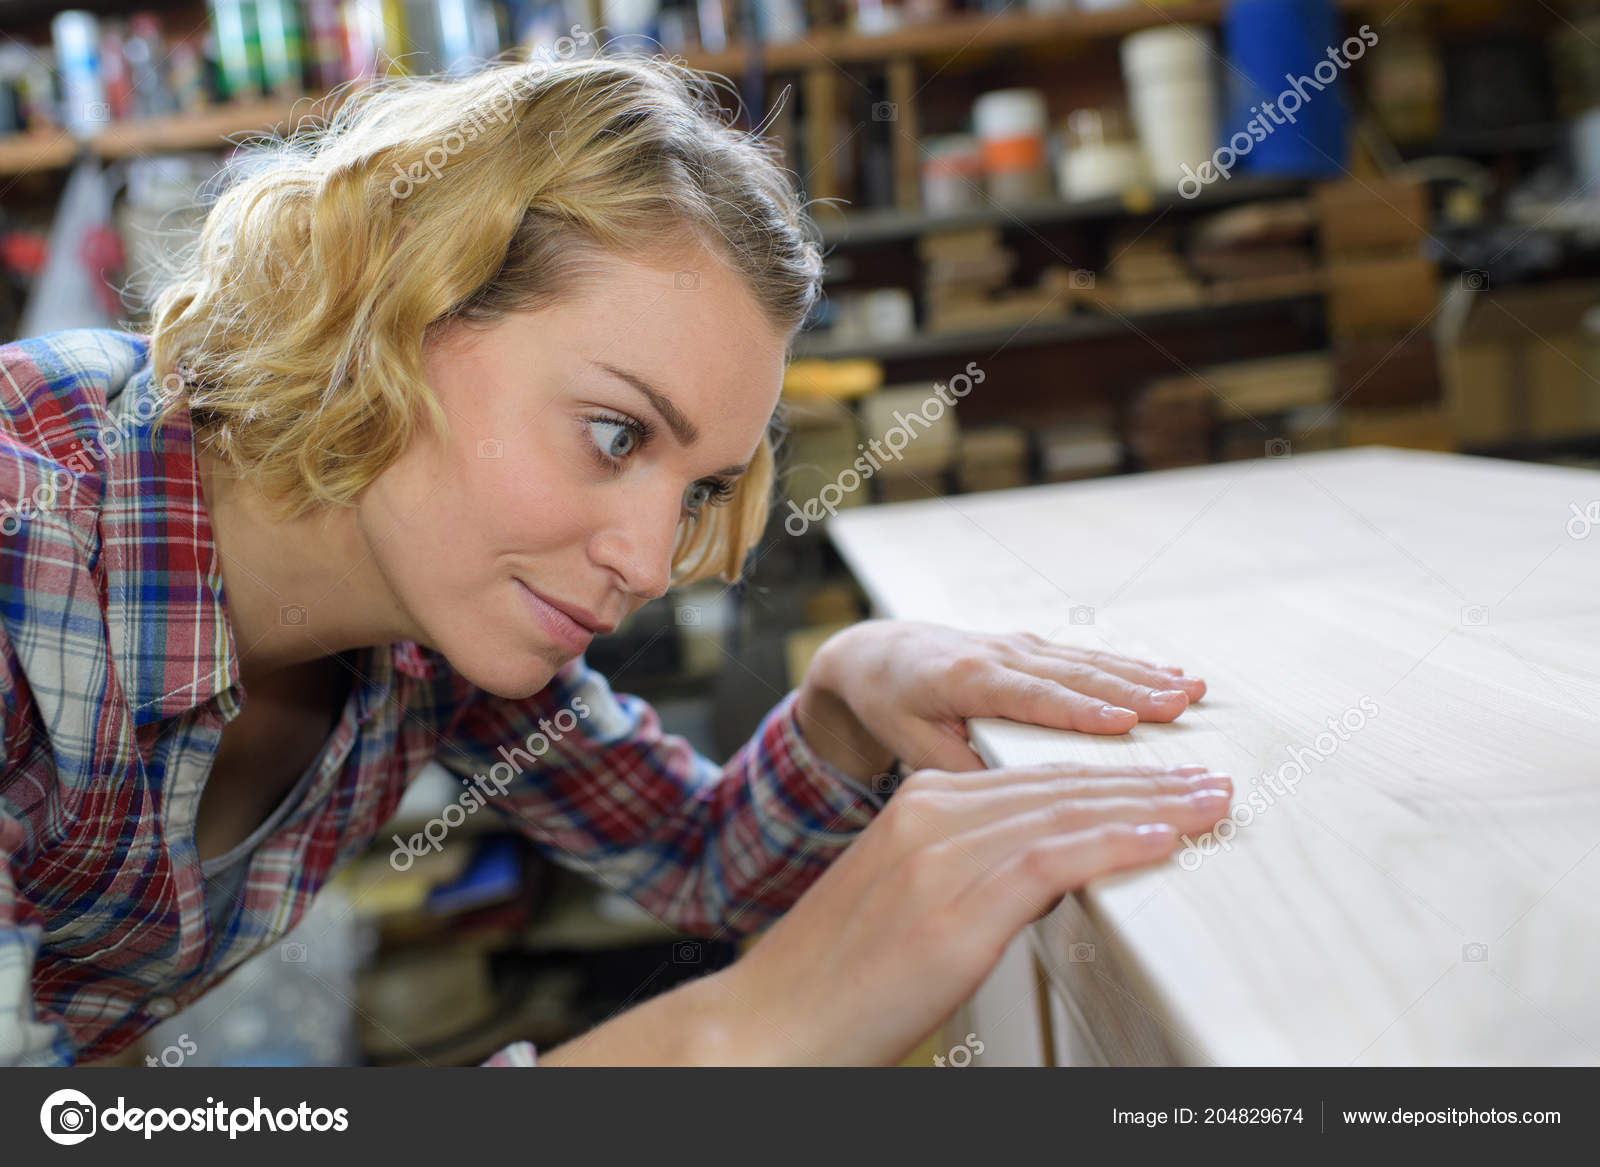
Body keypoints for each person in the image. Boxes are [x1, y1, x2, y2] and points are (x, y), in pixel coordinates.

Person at [0, 56, 1230, 1067]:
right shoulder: (23, 537)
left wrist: (852, 694)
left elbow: (700, 862)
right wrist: (734, 1034)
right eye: (612, 434)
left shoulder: (432, 636)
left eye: (694, 487)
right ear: (390, 304)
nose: (648, 560)